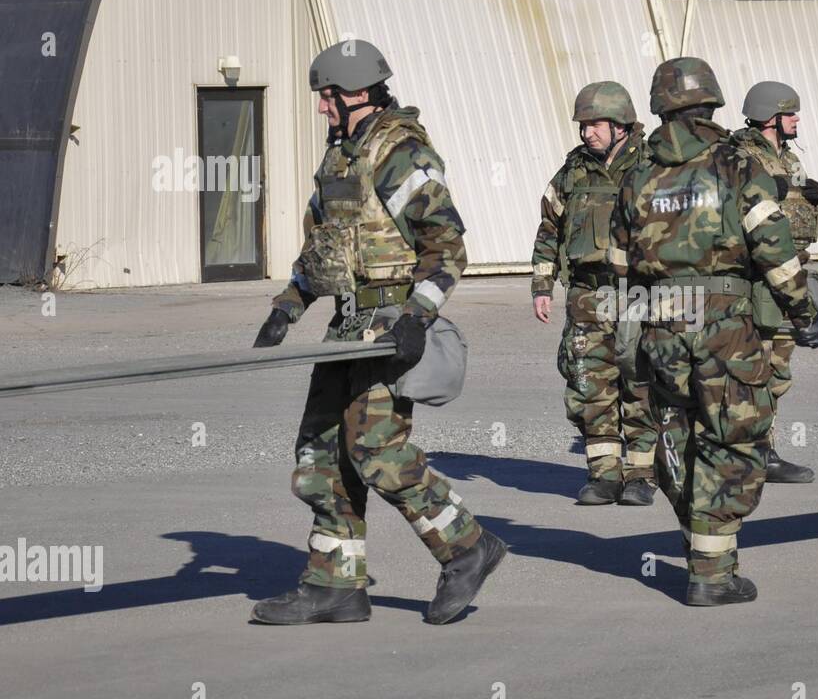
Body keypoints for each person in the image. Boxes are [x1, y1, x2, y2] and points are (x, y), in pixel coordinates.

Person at [249, 39, 506, 625]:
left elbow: (446, 247)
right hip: (345, 325)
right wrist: (289, 305)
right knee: (321, 455)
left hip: (388, 325)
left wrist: (417, 315)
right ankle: (335, 584)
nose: (321, 109)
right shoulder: (342, 157)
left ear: (357, 93)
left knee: (375, 451)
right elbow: (324, 246)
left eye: (326, 97)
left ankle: (467, 547)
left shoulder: (400, 151)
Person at [610, 57, 818, 606]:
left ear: (660, 105)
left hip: (660, 322)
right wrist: (802, 313)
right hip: (722, 325)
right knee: (733, 440)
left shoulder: (636, 173)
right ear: (712, 102)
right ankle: (711, 573)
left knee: (678, 436)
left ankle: (700, 551)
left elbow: (617, 262)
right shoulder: (733, 161)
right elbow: (772, 246)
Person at [530, 82, 658, 505]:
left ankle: (642, 474)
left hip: (636, 291)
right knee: (589, 383)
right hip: (586, 293)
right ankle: (604, 473)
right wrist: (541, 285)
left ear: (620, 123)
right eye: (583, 126)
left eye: (594, 124)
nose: (587, 133)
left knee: (640, 380)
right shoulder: (574, 170)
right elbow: (550, 226)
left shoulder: (651, 165)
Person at [728, 81, 818, 483]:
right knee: (755, 369)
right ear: (772, 117)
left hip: (790, 274)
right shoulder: (742, 156)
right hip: (757, 278)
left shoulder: (788, 157)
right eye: (792, 113)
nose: (797, 119)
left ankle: (762, 449)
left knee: (778, 371)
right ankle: (752, 453)